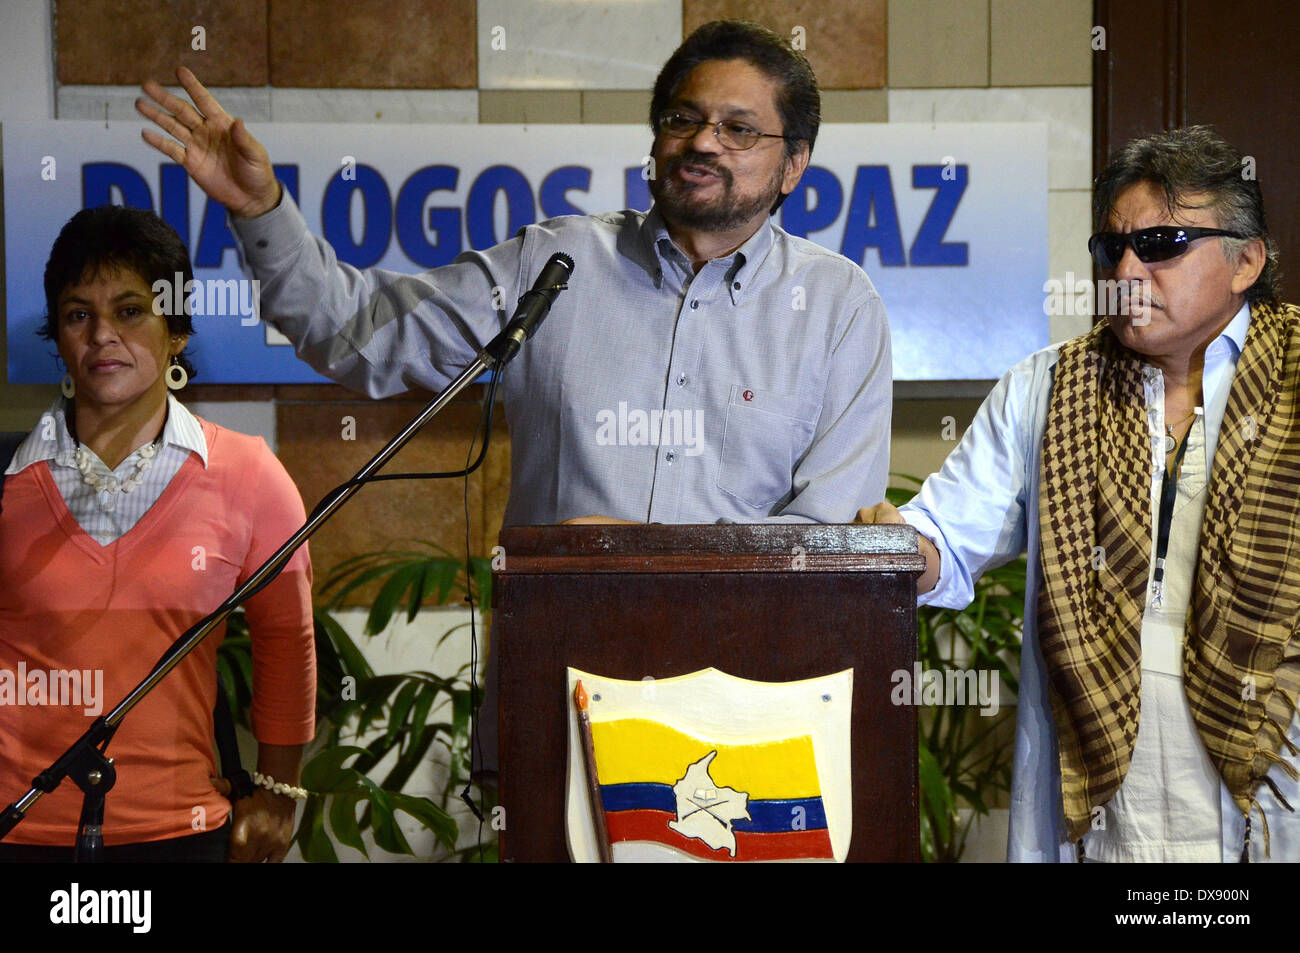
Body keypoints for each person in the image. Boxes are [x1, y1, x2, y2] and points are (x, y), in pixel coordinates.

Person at [134, 19, 892, 528]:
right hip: (557, 694)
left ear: (794, 164)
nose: (703, 143)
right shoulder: (554, 267)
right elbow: (356, 335)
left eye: (739, 128)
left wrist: (644, 567)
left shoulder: (837, 310)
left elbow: (827, 549)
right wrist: (261, 208)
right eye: (682, 119)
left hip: (743, 711)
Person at [861, 125, 1298, 862]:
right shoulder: (1050, 387)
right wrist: (893, 549)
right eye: (1112, 249)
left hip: (1269, 806)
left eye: (1161, 244)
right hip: (1110, 813)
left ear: (1245, 260)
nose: (1128, 269)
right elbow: (946, 538)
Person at [0, 205, 316, 862]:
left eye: (130, 311)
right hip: (18, 830)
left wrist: (280, 795)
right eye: (79, 314)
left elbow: (286, 643)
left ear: (175, 331)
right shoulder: (8, 479)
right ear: (57, 335)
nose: (102, 335)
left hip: (184, 834)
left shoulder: (249, 476)